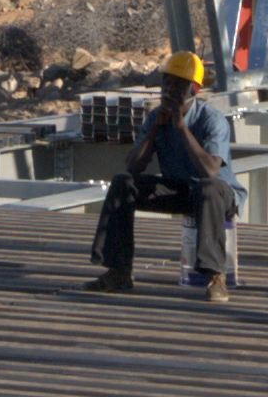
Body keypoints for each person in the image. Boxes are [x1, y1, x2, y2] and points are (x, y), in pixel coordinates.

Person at [89, 50, 239, 302]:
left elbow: (210, 171)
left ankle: (216, 277)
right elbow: (133, 166)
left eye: (178, 85)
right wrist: (155, 130)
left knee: (208, 187)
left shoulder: (212, 120)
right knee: (122, 183)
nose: (169, 90)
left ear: (194, 90)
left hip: (218, 194)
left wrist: (181, 128)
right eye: (166, 83)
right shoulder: (155, 118)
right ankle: (118, 271)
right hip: (181, 189)